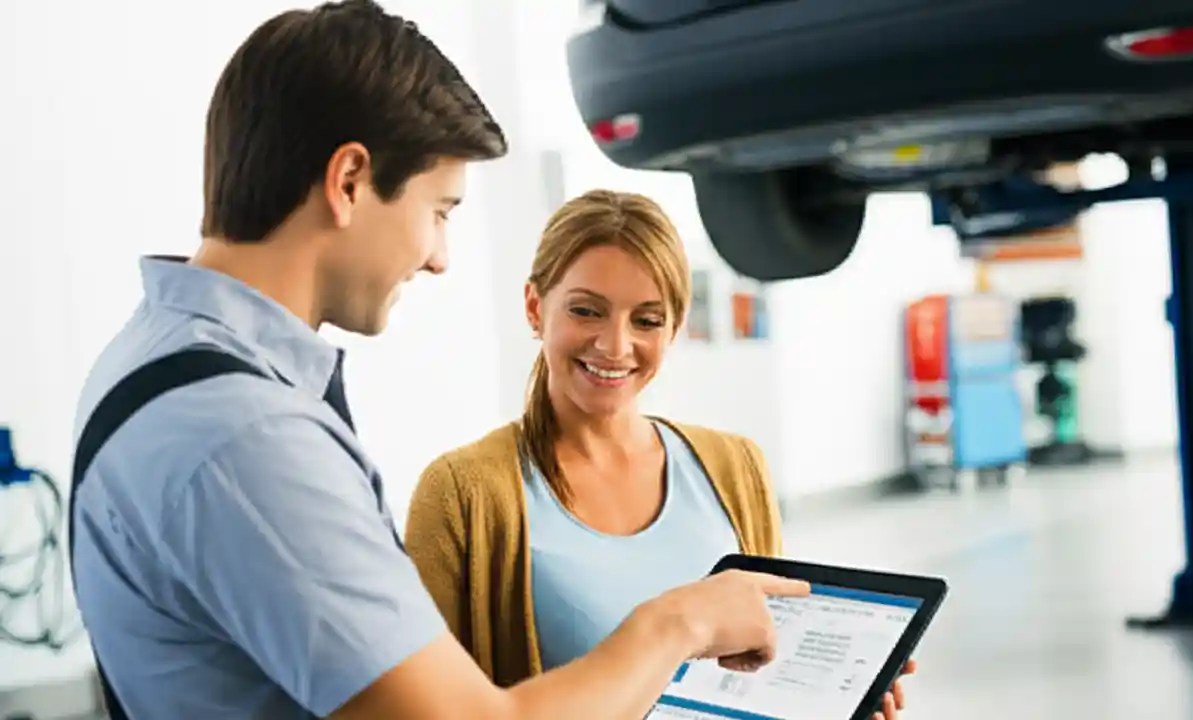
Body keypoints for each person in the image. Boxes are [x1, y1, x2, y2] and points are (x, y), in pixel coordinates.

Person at [67, 2, 811, 719]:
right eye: (439, 211)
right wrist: (676, 624)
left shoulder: (152, 359)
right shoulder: (247, 436)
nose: (438, 258)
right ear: (349, 182)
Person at [405, 189, 916, 720]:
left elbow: (764, 673)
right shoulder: (462, 493)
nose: (615, 345)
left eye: (646, 320)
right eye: (586, 311)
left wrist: (834, 697)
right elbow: (418, 708)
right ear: (536, 308)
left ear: (674, 327)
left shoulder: (735, 467)